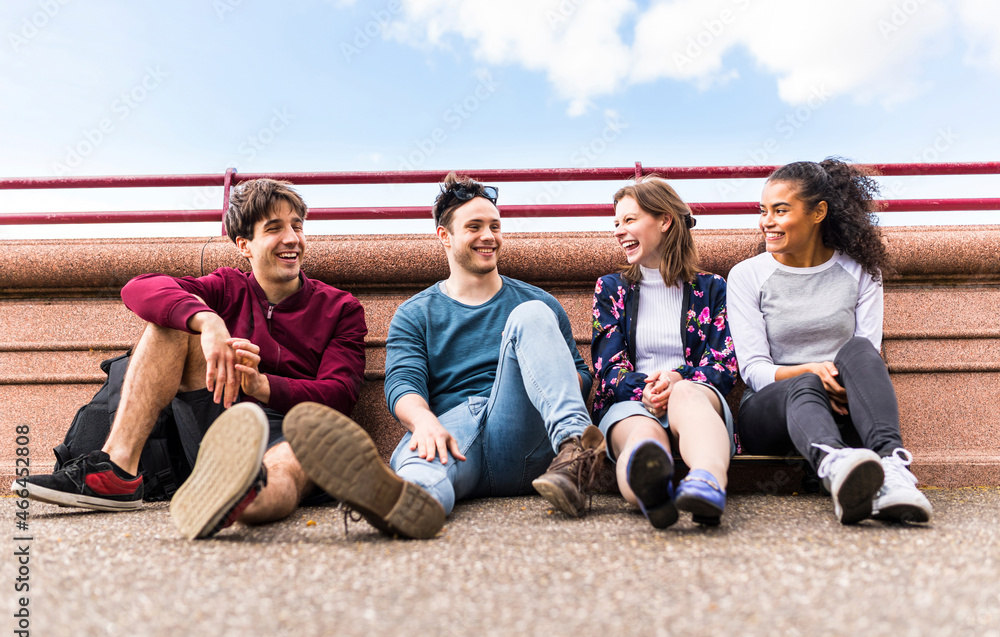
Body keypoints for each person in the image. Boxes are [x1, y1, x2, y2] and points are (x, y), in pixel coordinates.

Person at [16, 179, 368, 539]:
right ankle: (118, 472)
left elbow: (339, 394)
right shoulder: (226, 287)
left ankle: (241, 496)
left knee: (287, 463)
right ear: (244, 245)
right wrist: (208, 320)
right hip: (215, 421)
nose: (292, 238)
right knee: (170, 324)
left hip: (289, 431)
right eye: (275, 228)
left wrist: (263, 385)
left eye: (297, 226)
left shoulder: (340, 308)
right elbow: (139, 288)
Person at [281, 172, 602, 539]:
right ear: (444, 236)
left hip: (525, 440)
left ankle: (577, 455)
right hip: (453, 435)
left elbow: (580, 376)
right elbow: (402, 383)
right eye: (475, 226)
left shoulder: (538, 303)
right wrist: (423, 421)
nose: (488, 236)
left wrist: (539, 372)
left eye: (495, 226)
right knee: (424, 462)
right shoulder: (415, 313)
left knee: (529, 315)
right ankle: (407, 503)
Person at [727, 158, 932, 525]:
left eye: (780, 210)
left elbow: (864, 351)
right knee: (803, 383)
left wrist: (839, 385)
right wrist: (811, 372)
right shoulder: (747, 275)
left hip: (845, 405)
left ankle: (892, 471)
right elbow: (754, 370)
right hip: (769, 414)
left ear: (818, 212)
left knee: (860, 351)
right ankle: (837, 467)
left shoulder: (859, 270)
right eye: (763, 211)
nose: (766, 222)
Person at [591, 177, 737, 528]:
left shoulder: (712, 287)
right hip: (632, 402)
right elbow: (606, 367)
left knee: (686, 393)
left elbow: (725, 363)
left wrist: (676, 379)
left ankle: (706, 483)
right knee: (643, 438)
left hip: (695, 397)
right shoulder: (610, 288)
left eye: (628, 220)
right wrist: (647, 389)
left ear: (664, 220)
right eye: (615, 223)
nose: (618, 231)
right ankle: (651, 494)